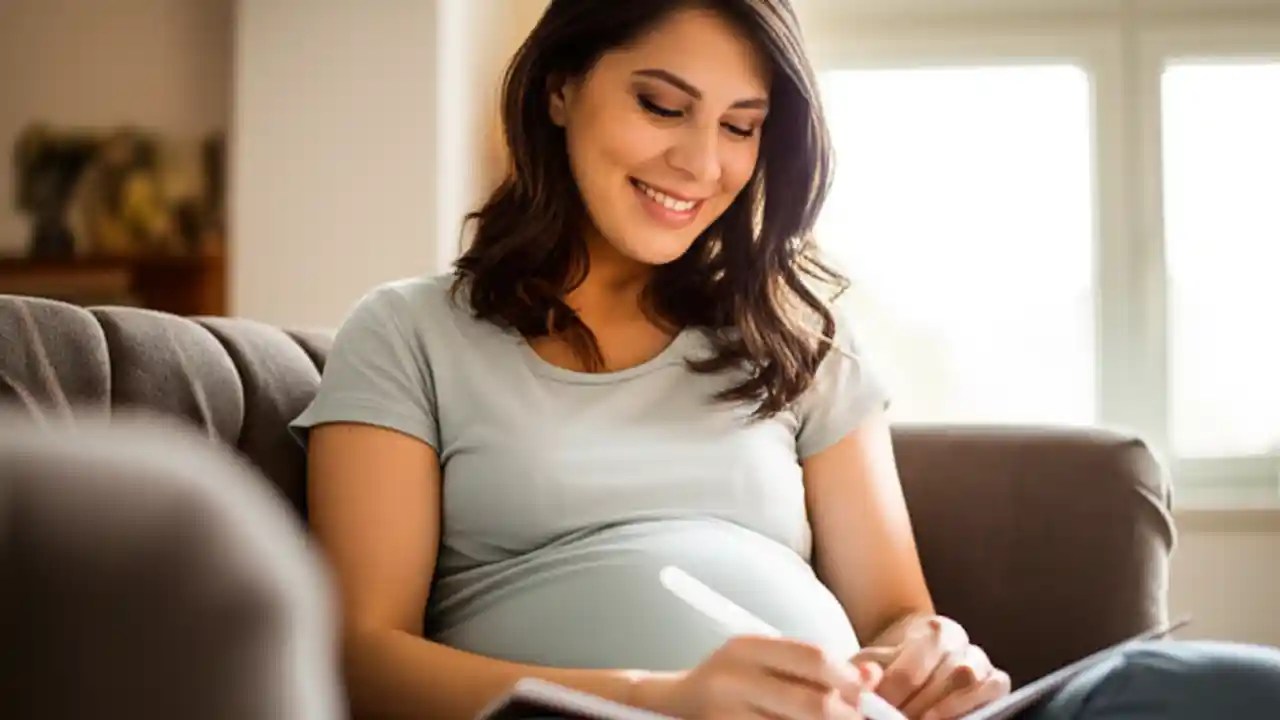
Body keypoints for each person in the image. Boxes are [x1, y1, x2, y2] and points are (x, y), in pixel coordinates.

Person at [288, 1, 1280, 718]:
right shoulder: (408, 334)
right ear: (559, 87)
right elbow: (360, 657)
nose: (699, 162)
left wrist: (925, 652)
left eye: (739, 127)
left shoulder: (793, 339)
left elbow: (892, 612)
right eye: (660, 104)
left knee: (1216, 691)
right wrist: (664, 700)